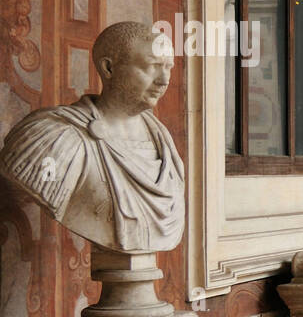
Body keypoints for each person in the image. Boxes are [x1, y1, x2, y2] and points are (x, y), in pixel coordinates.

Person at [0, 21, 184, 253]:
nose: (164, 80)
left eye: (169, 67)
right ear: (108, 68)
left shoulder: (164, 142)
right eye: (152, 66)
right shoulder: (55, 137)